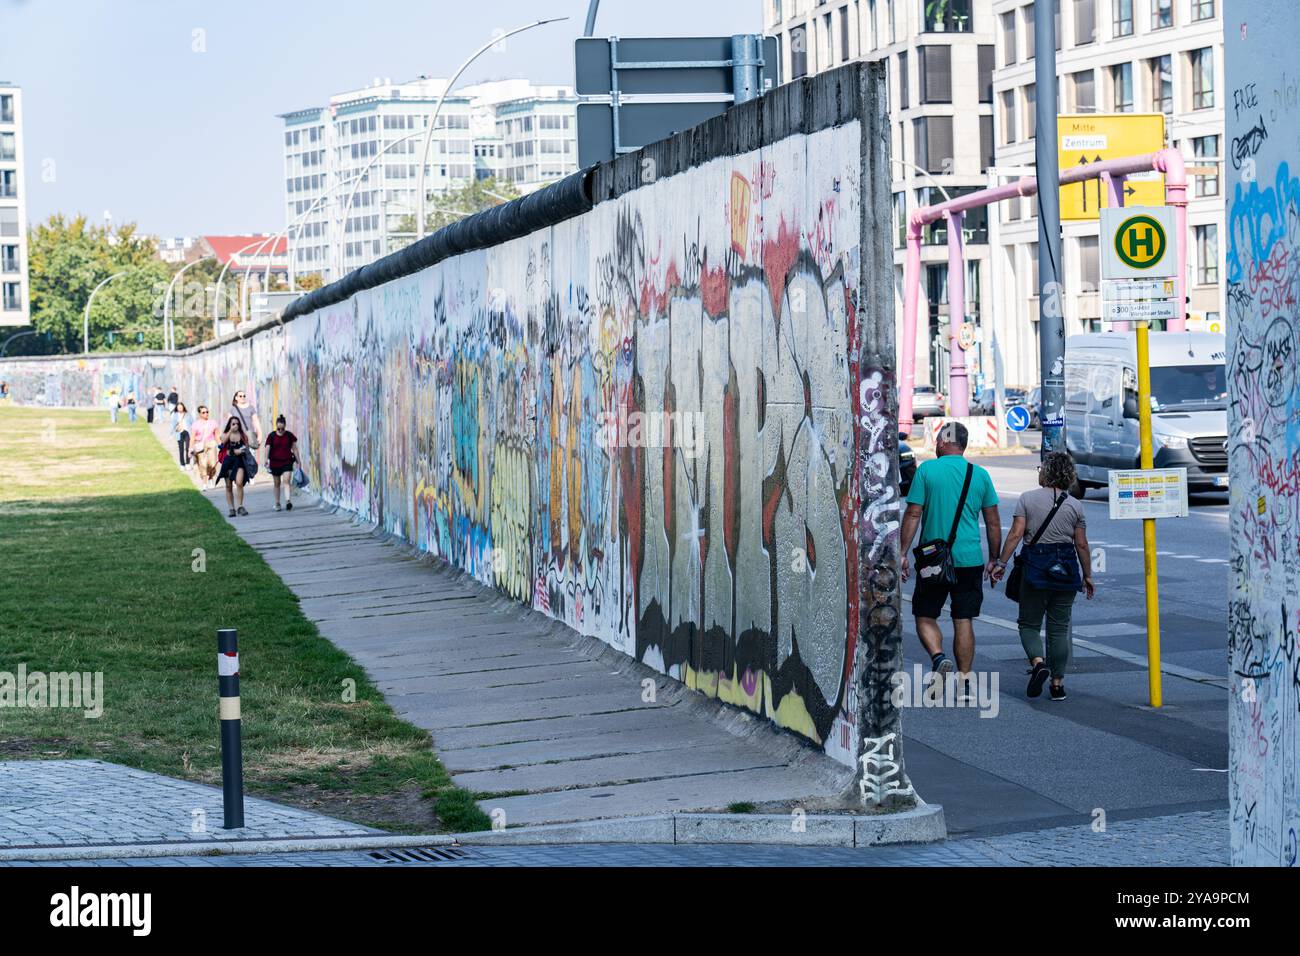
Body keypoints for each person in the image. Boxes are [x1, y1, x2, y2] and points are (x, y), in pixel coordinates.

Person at [899, 421, 1001, 684]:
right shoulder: (979, 475)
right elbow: (992, 522)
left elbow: (913, 513)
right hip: (969, 559)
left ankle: (938, 656)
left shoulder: (927, 471)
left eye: (937, 440)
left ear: (943, 442)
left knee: (925, 614)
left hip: (933, 559)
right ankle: (964, 680)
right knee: (963, 617)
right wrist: (995, 558)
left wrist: (901, 552)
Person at [991, 451, 1096, 701]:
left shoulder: (1027, 499)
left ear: (1046, 472)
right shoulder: (1075, 505)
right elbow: (1081, 544)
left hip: (1035, 566)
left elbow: (1016, 534)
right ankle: (1057, 685)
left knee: (1029, 624)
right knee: (1059, 629)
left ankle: (1039, 664)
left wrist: (1001, 563)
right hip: (1066, 568)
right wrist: (1088, 575)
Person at [217, 415, 257, 516]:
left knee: (239, 483)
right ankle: (231, 509)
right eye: (233, 423)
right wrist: (230, 430)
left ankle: (240, 506)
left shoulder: (243, 435)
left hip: (239, 461)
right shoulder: (226, 434)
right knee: (228, 486)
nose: (235, 425)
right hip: (228, 461)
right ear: (229, 425)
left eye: (237, 423)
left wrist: (241, 450)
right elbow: (223, 441)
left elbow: (247, 447)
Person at [264, 415, 299, 511]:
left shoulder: (289, 435)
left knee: (286, 481)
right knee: (277, 483)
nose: (280, 431)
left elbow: (295, 449)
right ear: (276, 426)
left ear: (285, 426)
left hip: (287, 461)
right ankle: (277, 503)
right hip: (275, 462)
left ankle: (288, 501)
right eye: (278, 428)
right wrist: (266, 459)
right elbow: (267, 448)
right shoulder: (271, 436)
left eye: (282, 429)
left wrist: (298, 461)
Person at [190, 405, 220, 483]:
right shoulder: (195, 424)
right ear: (199, 414)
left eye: (207, 412)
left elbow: (217, 435)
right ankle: (205, 481)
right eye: (203, 412)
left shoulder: (213, 422)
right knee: (203, 464)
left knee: (213, 463)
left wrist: (220, 445)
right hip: (200, 445)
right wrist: (190, 448)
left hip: (211, 444)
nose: (206, 414)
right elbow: (192, 437)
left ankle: (211, 476)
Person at [171, 401, 193, 468]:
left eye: (181, 407)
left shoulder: (188, 414)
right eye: (178, 407)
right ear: (177, 408)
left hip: (187, 432)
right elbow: (173, 425)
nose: (180, 408)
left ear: (183, 407)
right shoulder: (174, 415)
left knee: (187, 448)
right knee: (181, 449)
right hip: (179, 433)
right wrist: (171, 434)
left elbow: (192, 422)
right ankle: (182, 464)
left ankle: (188, 463)